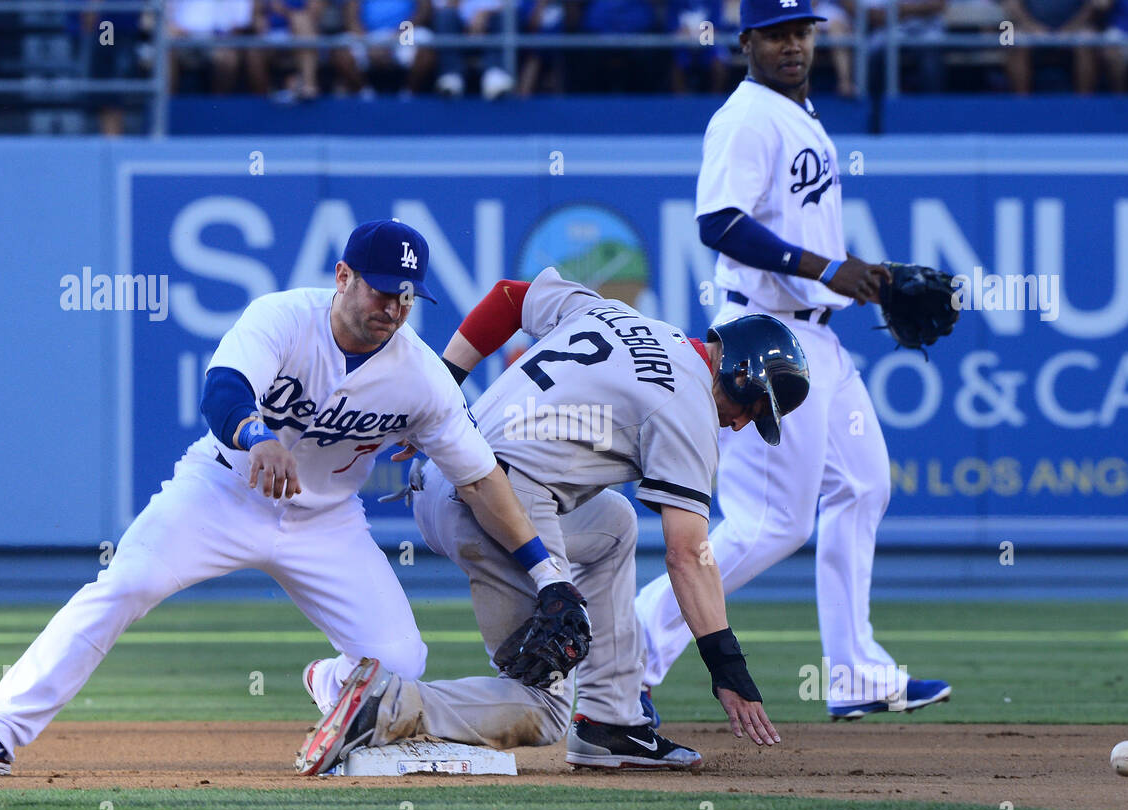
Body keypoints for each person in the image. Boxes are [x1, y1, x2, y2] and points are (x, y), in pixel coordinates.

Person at [0, 221, 563, 776]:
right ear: (342, 277)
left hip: (326, 523)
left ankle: (330, 682)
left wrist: (546, 571)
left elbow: (481, 480)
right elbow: (222, 389)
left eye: (406, 295)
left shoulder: (422, 377)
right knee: (124, 586)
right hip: (221, 493)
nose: (393, 307)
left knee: (401, 661)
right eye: (378, 288)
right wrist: (256, 436)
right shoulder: (284, 317)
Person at [297, 266, 811, 775]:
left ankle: (612, 722)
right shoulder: (691, 407)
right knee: (542, 710)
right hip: (495, 507)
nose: (743, 423)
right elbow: (688, 554)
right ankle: (382, 706)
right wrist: (728, 667)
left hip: (441, 475)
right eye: (753, 407)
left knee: (613, 524)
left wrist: (442, 390)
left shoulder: (619, 316)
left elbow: (505, 297)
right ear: (740, 373)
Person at [635, 0, 952, 724]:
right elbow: (719, 222)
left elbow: (801, 233)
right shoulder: (746, 116)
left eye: (801, 31)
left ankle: (857, 673)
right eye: (776, 34)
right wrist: (827, 265)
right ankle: (627, 656)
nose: (791, 45)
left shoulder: (799, 113)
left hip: (819, 336)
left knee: (864, 487)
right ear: (746, 41)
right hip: (765, 335)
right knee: (768, 522)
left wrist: (862, 277)